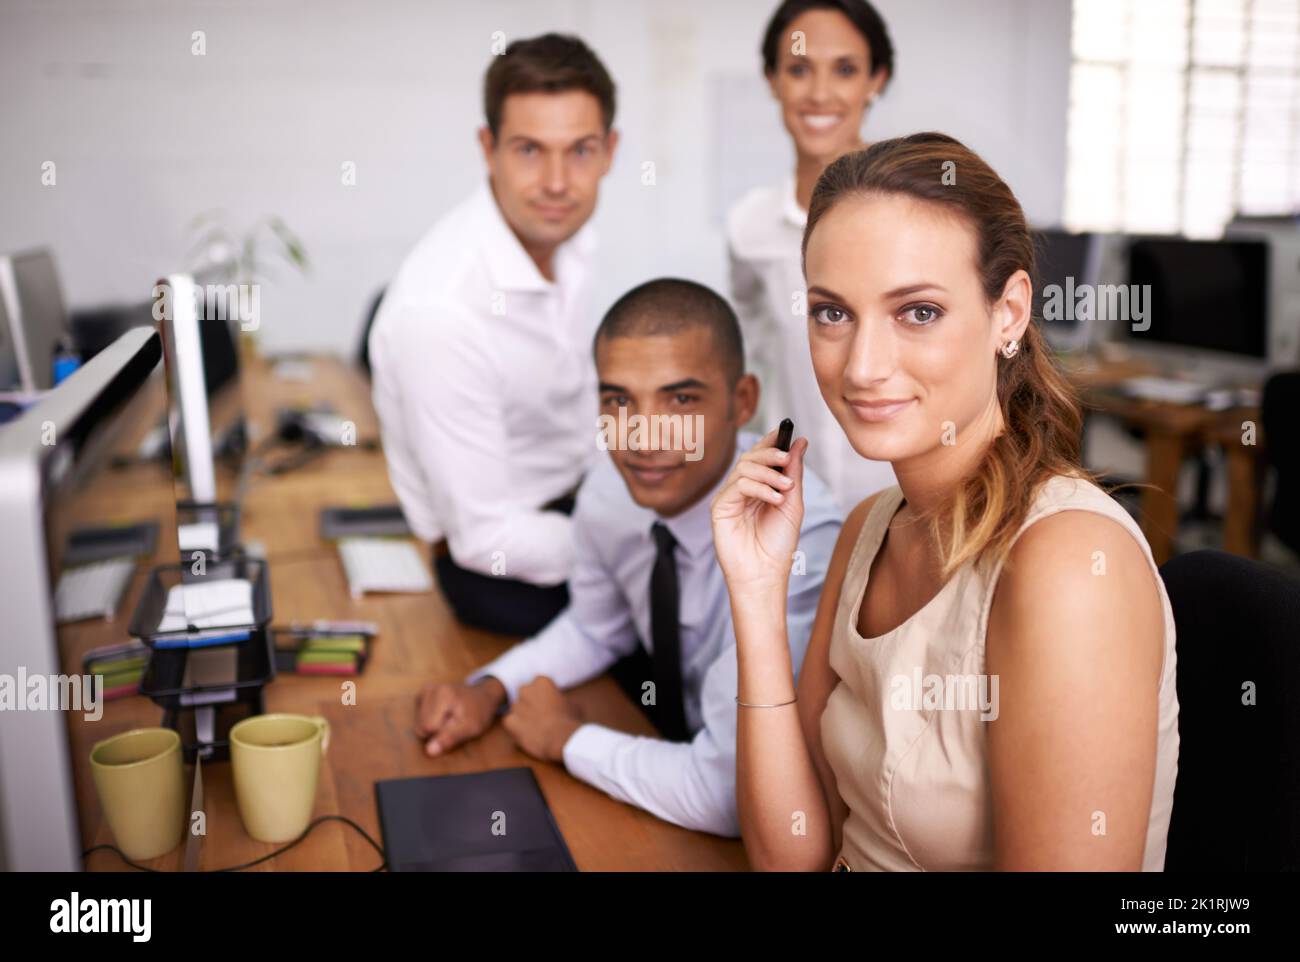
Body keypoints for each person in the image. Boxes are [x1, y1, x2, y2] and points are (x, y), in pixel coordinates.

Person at [711, 133, 1180, 870]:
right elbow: (792, 857)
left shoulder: (1064, 567)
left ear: (1010, 313)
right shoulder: (868, 529)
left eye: (918, 312)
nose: (862, 367)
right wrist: (756, 594)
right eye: (833, 313)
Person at [414, 278, 842, 837]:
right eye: (618, 400)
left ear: (743, 402)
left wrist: (565, 738)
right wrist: (491, 688)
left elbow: (732, 794)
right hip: (666, 768)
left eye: (681, 399)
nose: (641, 437)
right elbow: (597, 628)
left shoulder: (798, 537)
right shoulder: (611, 493)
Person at [369, 34, 619, 636]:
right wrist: (635, 538)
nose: (558, 182)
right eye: (530, 150)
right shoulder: (441, 312)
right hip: (497, 570)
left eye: (580, 150)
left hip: (575, 502)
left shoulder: (568, 240)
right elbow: (484, 539)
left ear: (610, 151)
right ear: (488, 148)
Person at [728, 0, 897, 513]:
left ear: (876, 80)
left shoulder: (921, 214)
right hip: (801, 510)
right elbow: (753, 336)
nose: (820, 93)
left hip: (908, 504)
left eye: (844, 70)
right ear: (773, 80)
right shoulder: (749, 227)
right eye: (799, 69)